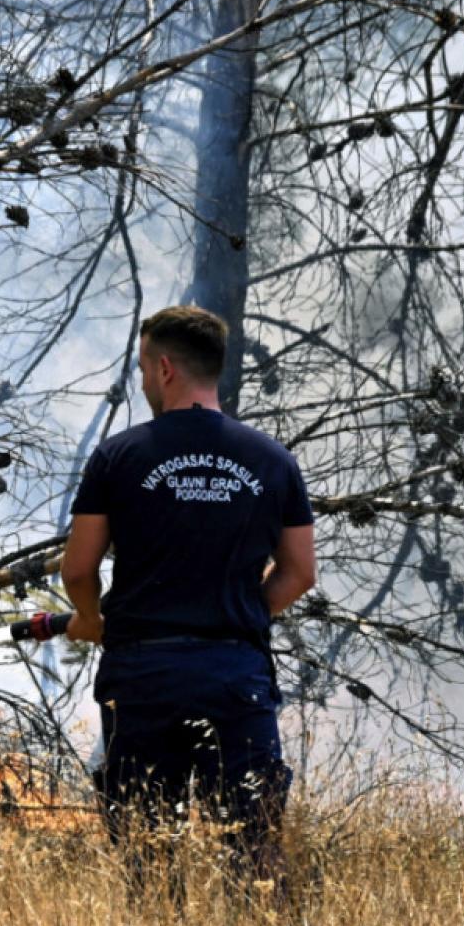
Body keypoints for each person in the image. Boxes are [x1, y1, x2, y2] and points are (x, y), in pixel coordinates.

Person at [60, 305, 318, 889]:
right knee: (255, 849)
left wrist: (92, 619)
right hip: (235, 673)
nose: (145, 381)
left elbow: (78, 567)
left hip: (142, 673)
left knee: (147, 851)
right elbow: (299, 572)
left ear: (167, 367)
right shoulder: (275, 461)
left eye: (145, 369)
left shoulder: (118, 456)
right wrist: (241, 616)